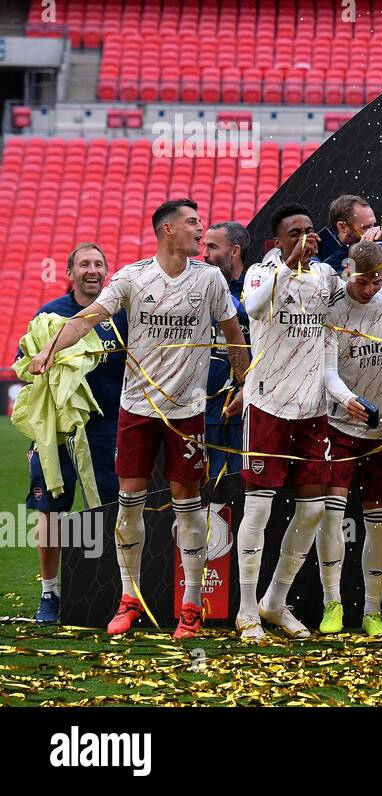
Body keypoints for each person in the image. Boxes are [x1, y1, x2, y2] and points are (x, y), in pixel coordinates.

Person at [28, 200, 247, 640]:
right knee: (130, 502)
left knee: (188, 505)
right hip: (137, 410)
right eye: (192, 223)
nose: (200, 229)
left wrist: (244, 385)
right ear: (167, 230)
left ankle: (190, 609)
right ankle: (130, 600)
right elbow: (87, 319)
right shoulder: (132, 276)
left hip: (186, 412)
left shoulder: (208, 280)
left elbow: (234, 334)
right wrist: (51, 348)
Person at [235, 204, 341, 641]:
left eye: (309, 230)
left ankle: (275, 601)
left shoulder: (326, 280)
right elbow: (255, 308)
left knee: (313, 510)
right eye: (294, 232)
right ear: (276, 242)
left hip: (314, 410)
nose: (304, 238)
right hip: (267, 406)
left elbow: (337, 330)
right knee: (258, 510)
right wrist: (288, 267)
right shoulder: (262, 273)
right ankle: (245, 610)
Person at [22, 243, 126, 624]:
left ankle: (114, 590)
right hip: (58, 430)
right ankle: (50, 594)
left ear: (107, 271)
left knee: (111, 510)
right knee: (50, 512)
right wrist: (36, 439)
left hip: (108, 429)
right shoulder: (49, 315)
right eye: (84, 264)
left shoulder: (120, 316)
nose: (92, 270)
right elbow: (35, 380)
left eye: (99, 264)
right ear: (71, 272)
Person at [319, 241, 382, 636]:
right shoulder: (333, 307)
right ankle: (332, 605)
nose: (371, 289)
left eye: (377, 280)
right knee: (332, 517)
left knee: (379, 523)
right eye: (363, 281)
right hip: (339, 426)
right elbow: (326, 369)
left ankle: (372, 612)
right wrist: (348, 400)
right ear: (348, 272)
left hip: (381, 432)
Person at [202, 221, 251, 486]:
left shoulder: (257, 288)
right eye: (204, 246)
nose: (205, 254)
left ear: (234, 251)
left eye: (212, 246)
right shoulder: (197, 290)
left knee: (244, 489)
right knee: (205, 491)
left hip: (246, 408)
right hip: (204, 411)